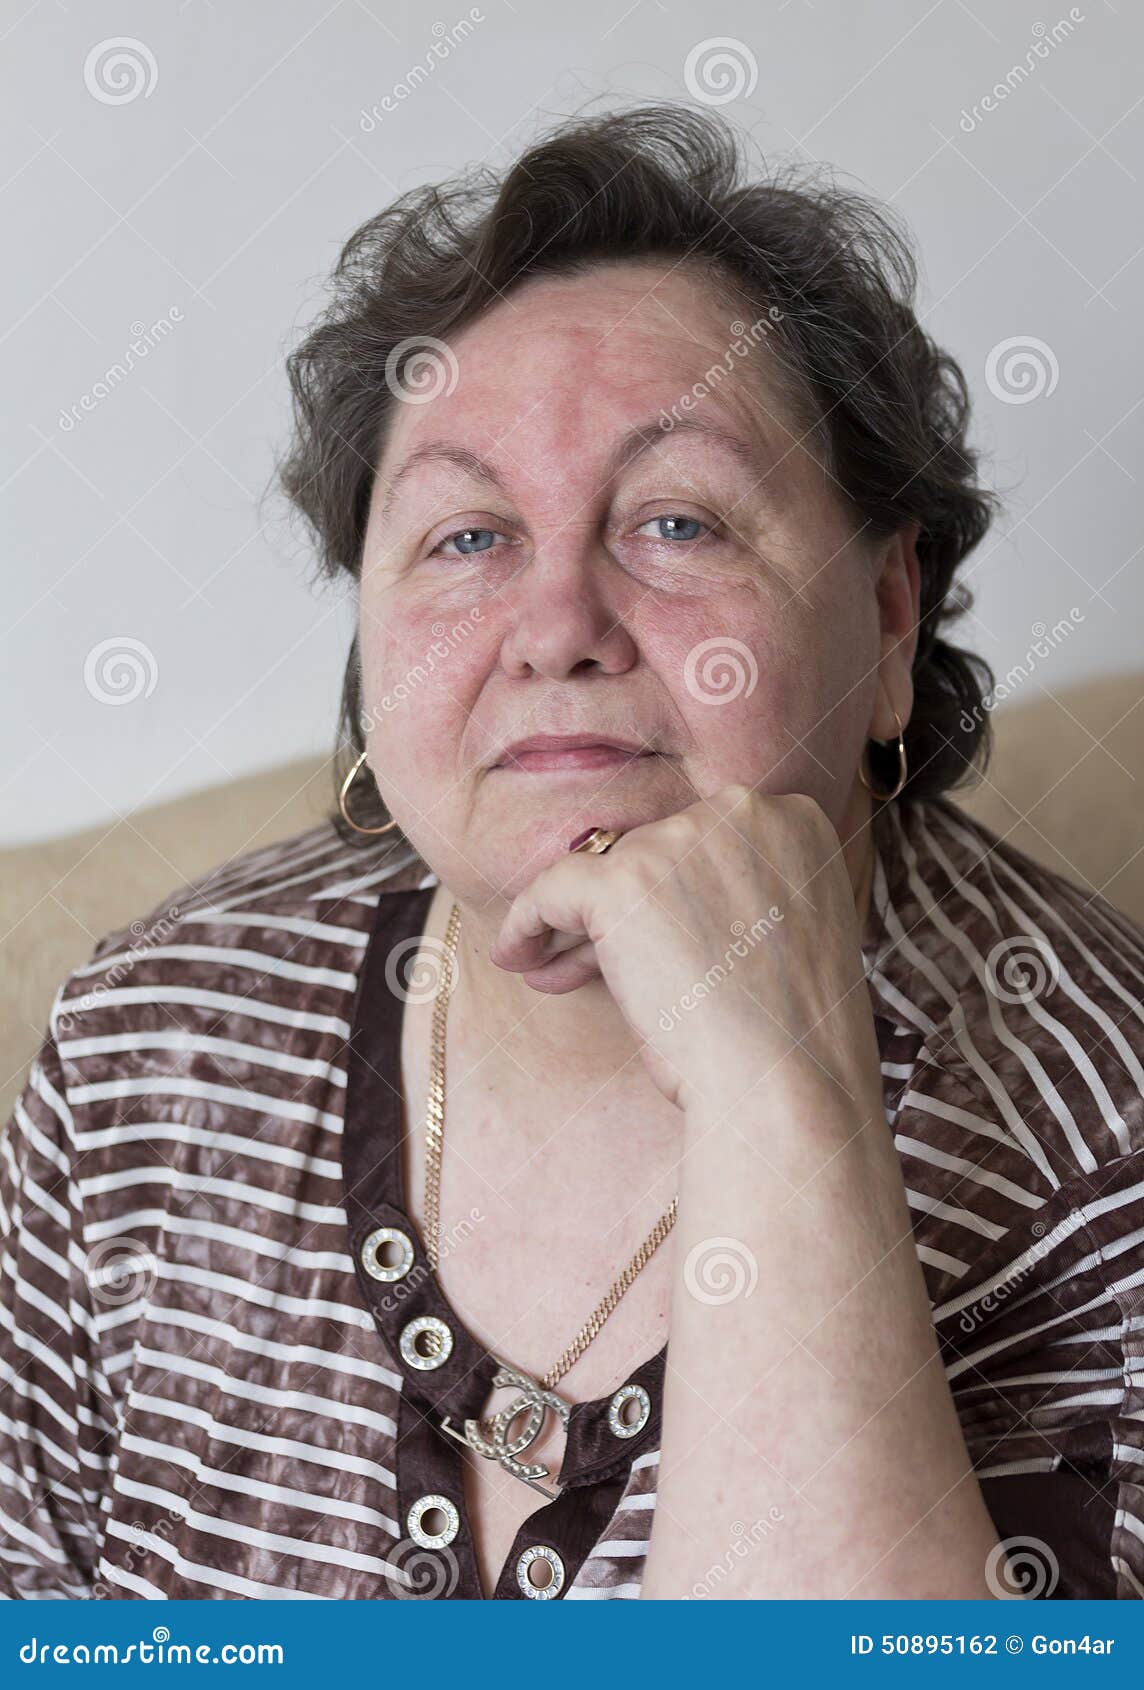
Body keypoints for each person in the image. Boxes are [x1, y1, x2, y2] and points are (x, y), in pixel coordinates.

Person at [3, 103, 1143, 1602]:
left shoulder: (1105, 1170)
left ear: (884, 623)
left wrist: (774, 1090)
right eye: (467, 536)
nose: (554, 628)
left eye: (676, 520)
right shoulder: (148, 1045)